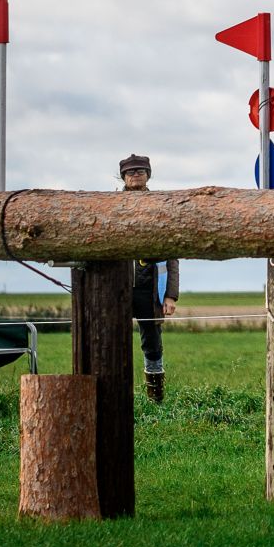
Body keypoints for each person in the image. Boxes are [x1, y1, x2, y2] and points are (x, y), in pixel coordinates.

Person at [119, 154, 178, 404]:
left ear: (148, 175)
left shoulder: (160, 207)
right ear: (123, 177)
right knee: (111, 339)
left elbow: (173, 254)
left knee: (151, 342)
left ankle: (156, 396)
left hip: (151, 287)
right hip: (117, 286)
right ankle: (115, 393)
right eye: (131, 172)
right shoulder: (111, 205)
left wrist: (171, 295)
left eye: (141, 171)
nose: (135, 175)